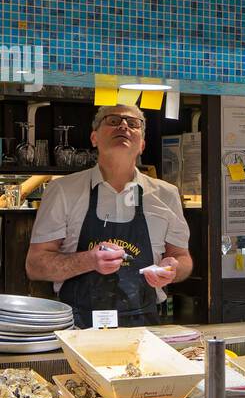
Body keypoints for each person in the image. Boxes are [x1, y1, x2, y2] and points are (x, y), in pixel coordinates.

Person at [26, 105, 193, 327]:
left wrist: (173, 269)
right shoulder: (63, 191)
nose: (124, 125)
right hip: (78, 327)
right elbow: (35, 266)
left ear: (142, 144)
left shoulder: (166, 194)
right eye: (113, 121)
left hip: (145, 327)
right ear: (94, 138)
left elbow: (183, 258)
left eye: (133, 124)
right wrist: (89, 260)